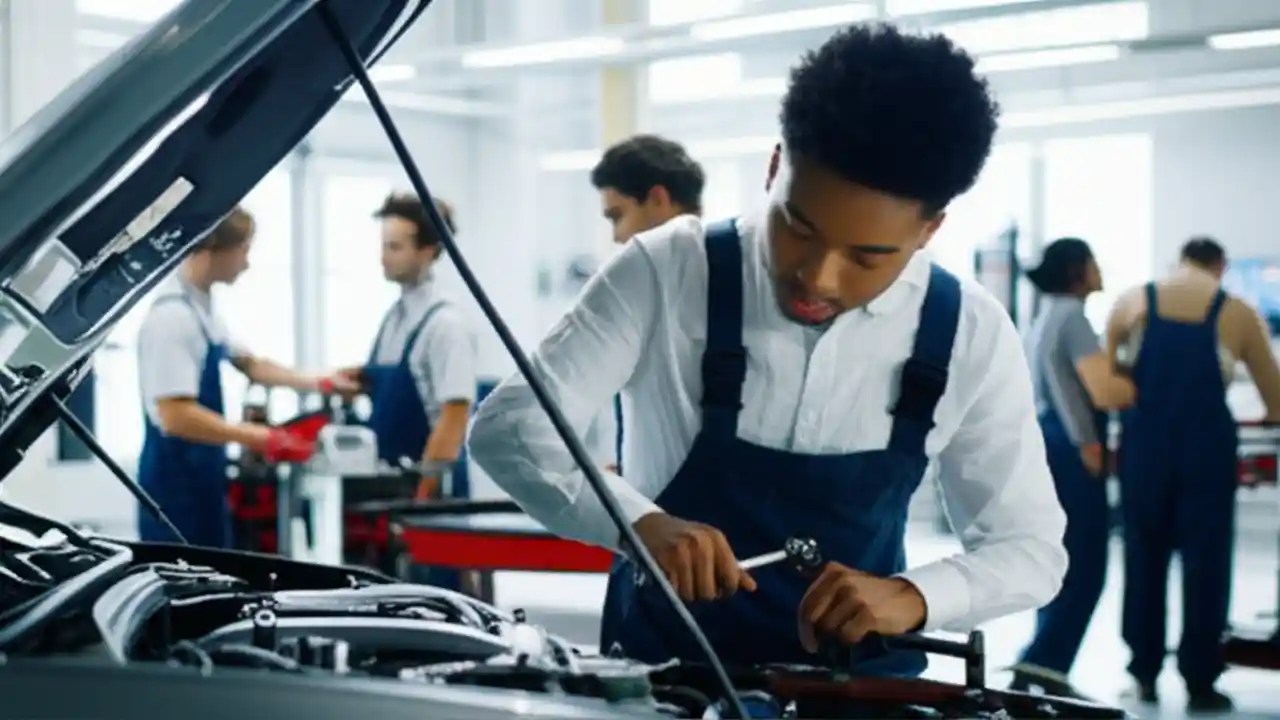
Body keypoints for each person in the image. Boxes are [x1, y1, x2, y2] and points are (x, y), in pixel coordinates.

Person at [470, 24, 1068, 671]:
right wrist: (638, 522)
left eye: (867, 257)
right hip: (664, 682)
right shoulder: (666, 271)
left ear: (929, 230)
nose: (819, 277)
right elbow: (510, 428)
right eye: (798, 228)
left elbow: (1030, 548)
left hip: (861, 694)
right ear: (776, 168)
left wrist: (915, 595)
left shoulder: (969, 331)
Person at [1106, 236, 1280, 711]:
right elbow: (1274, 395)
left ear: (1178, 261)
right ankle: (1200, 681)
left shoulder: (1134, 300)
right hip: (1206, 456)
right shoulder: (1238, 311)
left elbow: (1110, 379)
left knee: (1144, 560)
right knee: (1206, 566)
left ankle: (1143, 674)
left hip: (1146, 452)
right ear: (1221, 267)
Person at [136, 206, 355, 548]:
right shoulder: (172, 319)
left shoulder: (201, 308)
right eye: (243, 250)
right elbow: (175, 416)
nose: (246, 263)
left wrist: (321, 382)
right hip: (174, 486)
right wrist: (259, 437)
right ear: (212, 249)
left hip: (203, 478)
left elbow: (250, 365)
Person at [1009, 238, 1136, 697]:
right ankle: (1043, 663)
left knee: (1060, 561)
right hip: (1073, 451)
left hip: (1049, 446)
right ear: (1077, 270)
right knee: (1085, 565)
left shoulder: (1045, 314)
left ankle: (1044, 667)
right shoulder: (1074, 318)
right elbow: (1099, 391)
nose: (1100, 269)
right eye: (1093, 261)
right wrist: (1090, 438)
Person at [588, 134, 706, 472]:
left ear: (657, 199)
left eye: (617, 216)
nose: (616, 237)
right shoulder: (655, 293)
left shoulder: (698, 291)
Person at [350, 192, 477, 499]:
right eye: (383, 246)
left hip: (430, 492)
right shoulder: (394, 318)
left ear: (427, 251)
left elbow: (454, 416)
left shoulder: (445, 323)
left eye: (395, 247)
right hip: (391, 485)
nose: (383, 257)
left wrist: (424, 494)